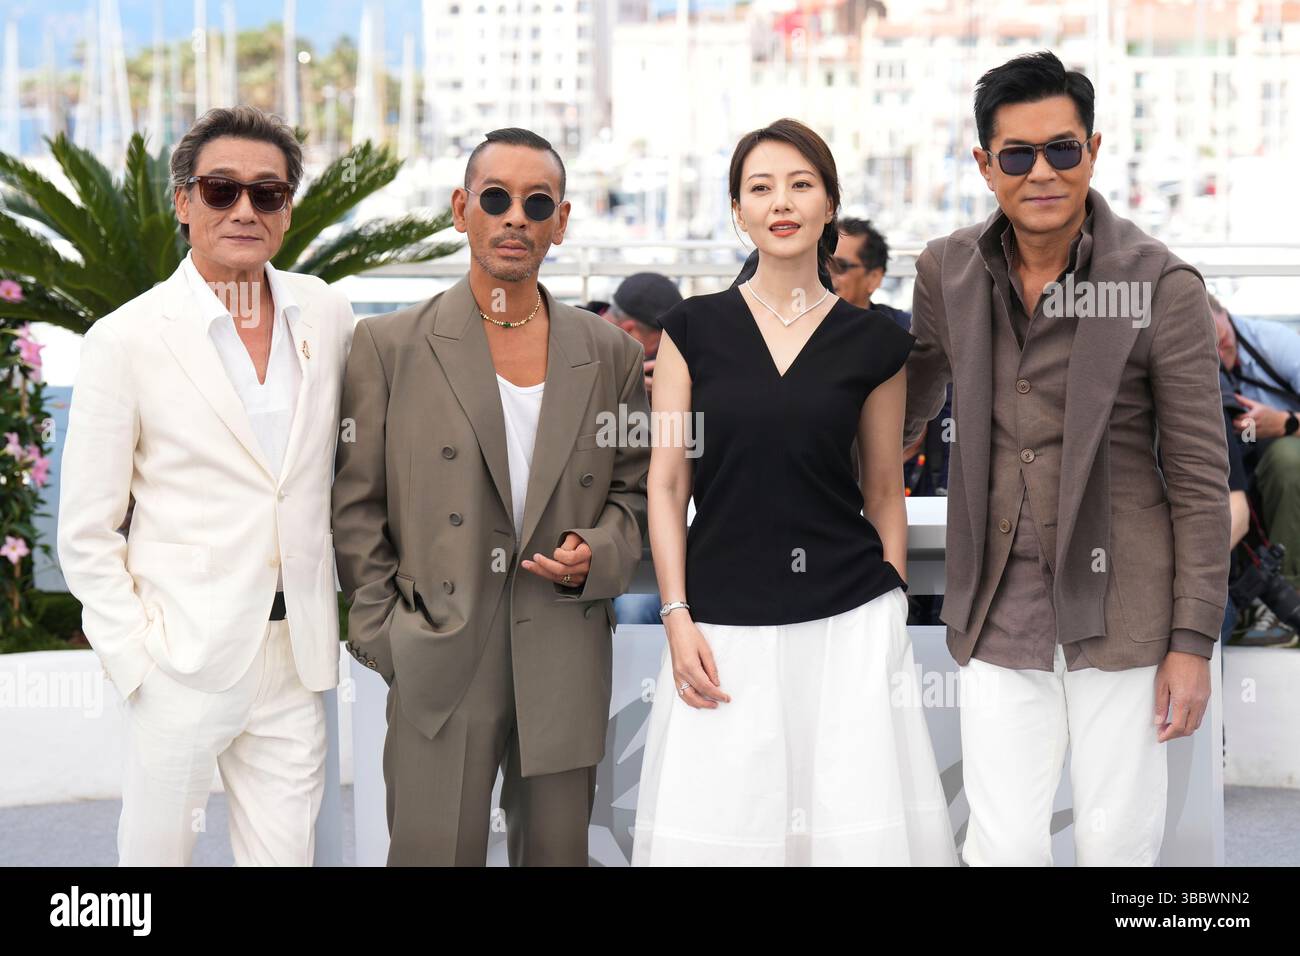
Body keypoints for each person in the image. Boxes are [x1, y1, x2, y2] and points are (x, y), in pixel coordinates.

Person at [903, 52, 1231, 866]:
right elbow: (902, 410)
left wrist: (1193, 642)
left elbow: (1199, 479)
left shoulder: (1162, 283)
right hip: (997, 609)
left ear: (1094, 149)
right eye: (1017, 154)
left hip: (1124, 612)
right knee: (1002, 845)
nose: (1041, 171)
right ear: (984, 164)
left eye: (1063, 148)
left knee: (1119, 843)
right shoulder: (947, 270)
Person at [632, 118, 957, 866]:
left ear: (829, 204)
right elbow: (669, 478)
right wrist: (677, 615)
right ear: (738, 209)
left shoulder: (874, 342)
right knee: (727, 832)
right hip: (721, 624)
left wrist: (892, 604)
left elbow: (883, 488)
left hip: (849, 618)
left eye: (801, 184)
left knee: (848, 832)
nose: (782, 201)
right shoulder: (692, 327)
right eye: (761, 187)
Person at [331, 127, 650, 866]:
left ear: (561, 222)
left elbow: (634, 492)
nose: (516, 218)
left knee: (558, 856)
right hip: (439, 649)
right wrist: (387, 636)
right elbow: (356, 507)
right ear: (460, 209)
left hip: (562, 645)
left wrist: (596, 554)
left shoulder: (610, 354)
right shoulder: (389, 345)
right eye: (496, 198)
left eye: (537, 203)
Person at [57, 106, 355, 865]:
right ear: (183, 202)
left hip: (297, 654)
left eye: (268, 193)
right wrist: (136, 663)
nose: (245, 210)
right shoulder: (125, 338)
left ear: (288, 209)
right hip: (180, 659)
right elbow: (87, 531)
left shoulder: (327, 311)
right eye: (222, 190)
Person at [1209, 295, 1300, 615]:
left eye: (1221, 340)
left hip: (1286, 450)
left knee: (1287, 460)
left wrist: (1285, 423)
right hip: (1236, 463)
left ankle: (1289, 592)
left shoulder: (1277, 345)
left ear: (1227, 314)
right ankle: (1240, 600)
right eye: (1208, 348)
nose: (1220, 355)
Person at [604, 272, 683, 625]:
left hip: (650, 529)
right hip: (600, 526)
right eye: (665, 340)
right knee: (635, 609)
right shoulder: (577, 351)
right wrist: (629, 395)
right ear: (634, 332)